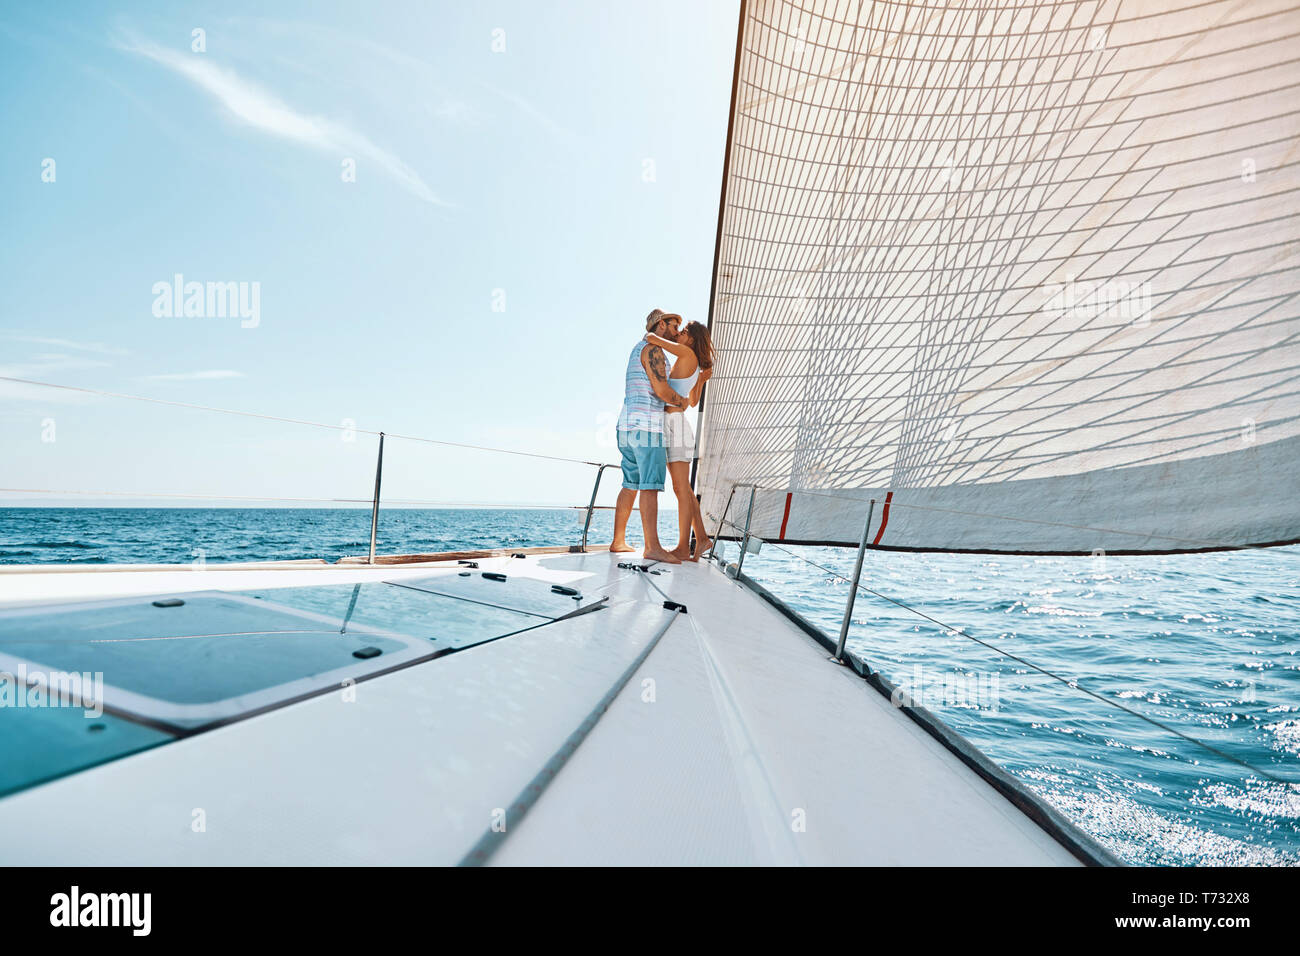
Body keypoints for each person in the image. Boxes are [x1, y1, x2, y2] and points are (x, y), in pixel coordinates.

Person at [610, 309, 687, 563]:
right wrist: (682, 401)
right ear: (661, 325)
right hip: (647, 429)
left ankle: (618, 541)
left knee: (629, 484)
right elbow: (662, 390)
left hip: (626, 427)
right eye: (674, 326)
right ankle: (652, 547)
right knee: (651, 486)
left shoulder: (636, 349)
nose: (677, 331)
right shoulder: (653, 351)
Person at [643, 320, 714, 560]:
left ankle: (684, 546)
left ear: (692, 338)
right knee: (682, 489)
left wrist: (662, 332)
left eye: (683, 332)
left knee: (681, 489)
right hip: (675, 425)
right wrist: (702, 379)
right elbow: (693, 401)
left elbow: (652, 339)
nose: (679, 335)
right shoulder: (691, 362)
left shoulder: (685, 352)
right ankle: (702, 539)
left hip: (675, 426)